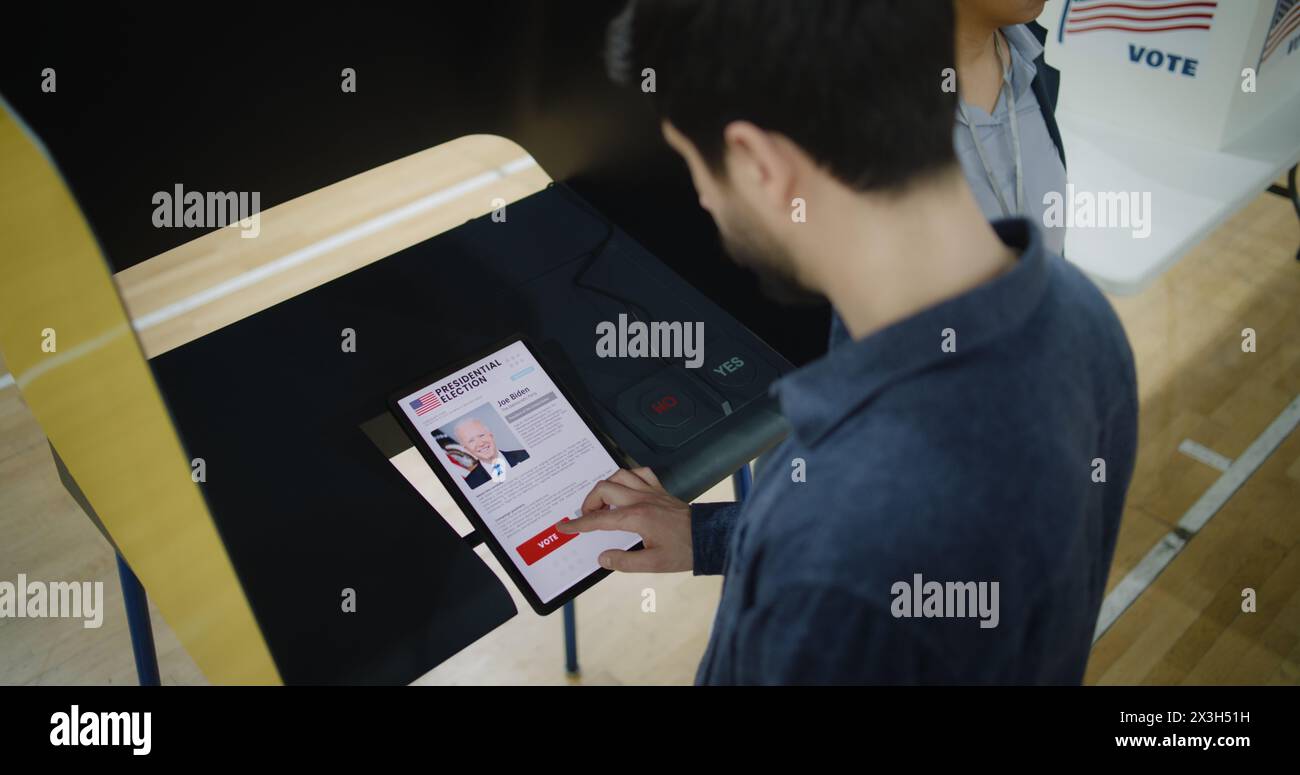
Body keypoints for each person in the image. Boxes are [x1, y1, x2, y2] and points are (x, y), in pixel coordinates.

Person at [559, 0, 1137, 684]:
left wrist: (792, 544)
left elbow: (852, 555)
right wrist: (708, 536)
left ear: (760, 163)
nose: (707, 200)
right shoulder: (1083, 318)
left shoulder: (837, 550)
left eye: (696, 166)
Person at [451, 418, 529, 489]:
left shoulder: (525, 455)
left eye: (481, 435)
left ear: (491, 435)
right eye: (471, 441)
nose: (480, 443)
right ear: (466, 449)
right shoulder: (470, 484)